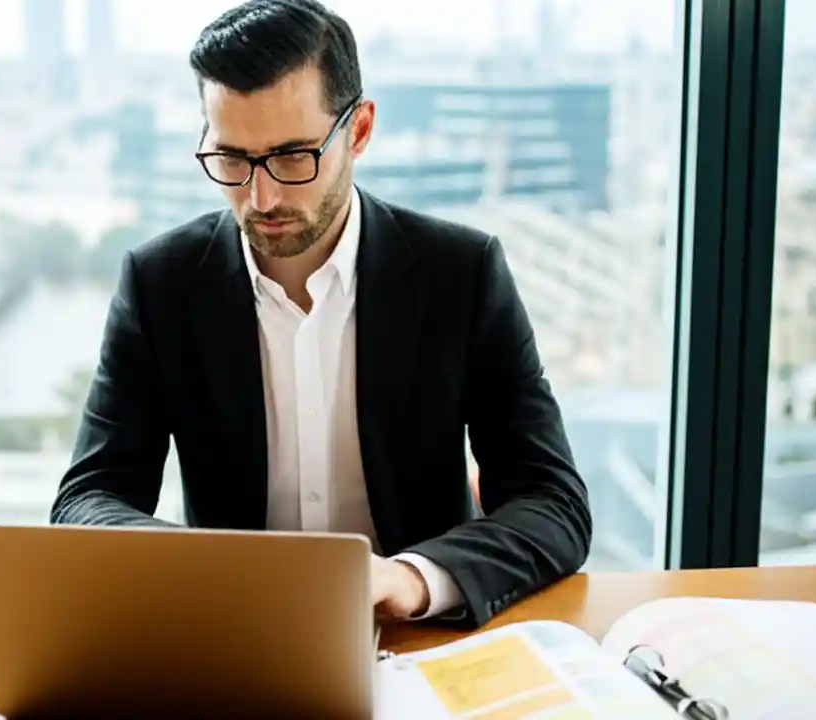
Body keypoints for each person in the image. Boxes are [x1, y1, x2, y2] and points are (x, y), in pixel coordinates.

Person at [52, 0, 591, 627]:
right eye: (232, 159)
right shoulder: (159, 283)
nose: (262, 196)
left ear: (358, 130)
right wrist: (197, 564)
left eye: (291, 157)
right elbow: (89, 498)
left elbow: (553, 502)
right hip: (237, 637)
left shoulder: (462, 273)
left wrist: (409, 578)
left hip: (421, 639)